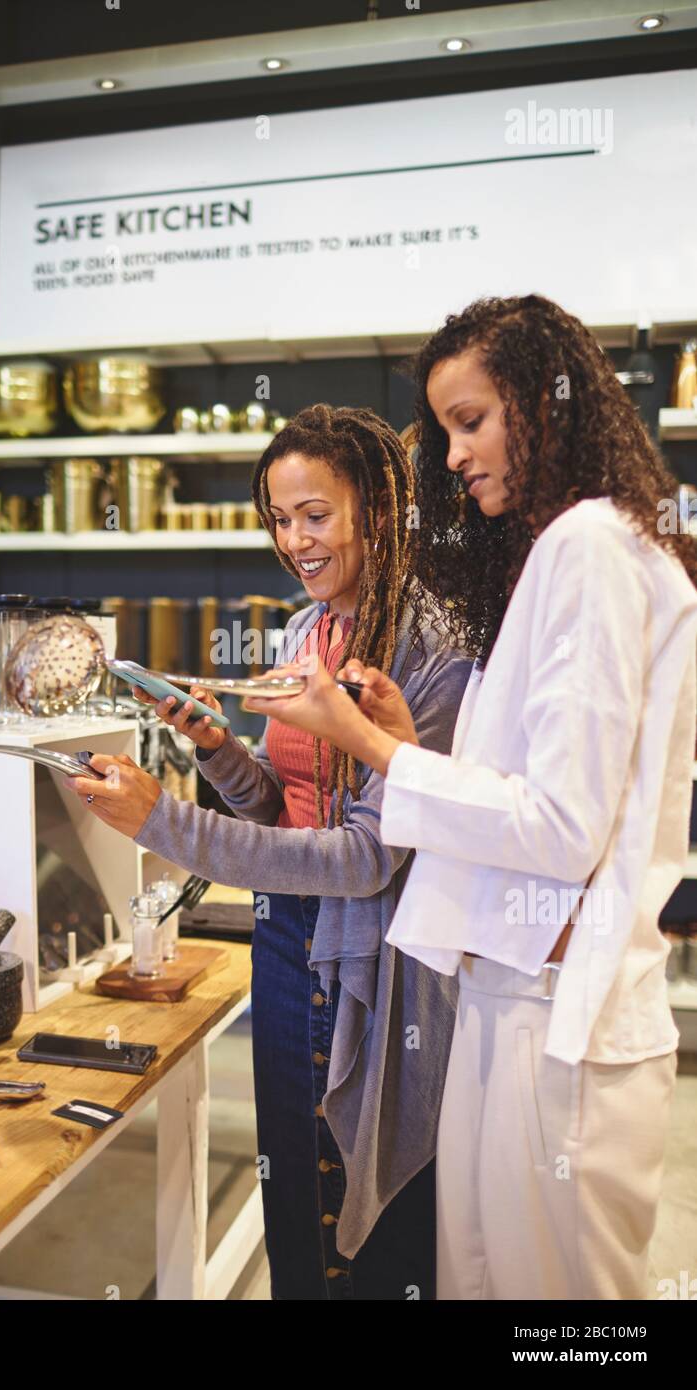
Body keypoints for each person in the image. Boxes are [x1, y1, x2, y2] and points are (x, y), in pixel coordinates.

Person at [244, 295, 697, 1300]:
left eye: (470, 420)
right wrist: (404, 745)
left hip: (557, 1013)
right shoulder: (561, 554)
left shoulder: (588, 545)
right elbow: (522, 788)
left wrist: (366, 744)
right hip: (510, 992)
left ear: (545, 403)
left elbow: (561, 826)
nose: (450, 456)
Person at [68, 404, 472, 1299]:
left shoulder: (431, 648)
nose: (295, 541)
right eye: (280, 519)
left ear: (371, 507)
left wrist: (165, 824)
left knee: (368, 1243)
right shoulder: (304, 632)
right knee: (296, 1209)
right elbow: (286, 813)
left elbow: (368, 860)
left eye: (315, 516)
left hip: (374, 968)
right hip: (286, 949)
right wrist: (216, 751)